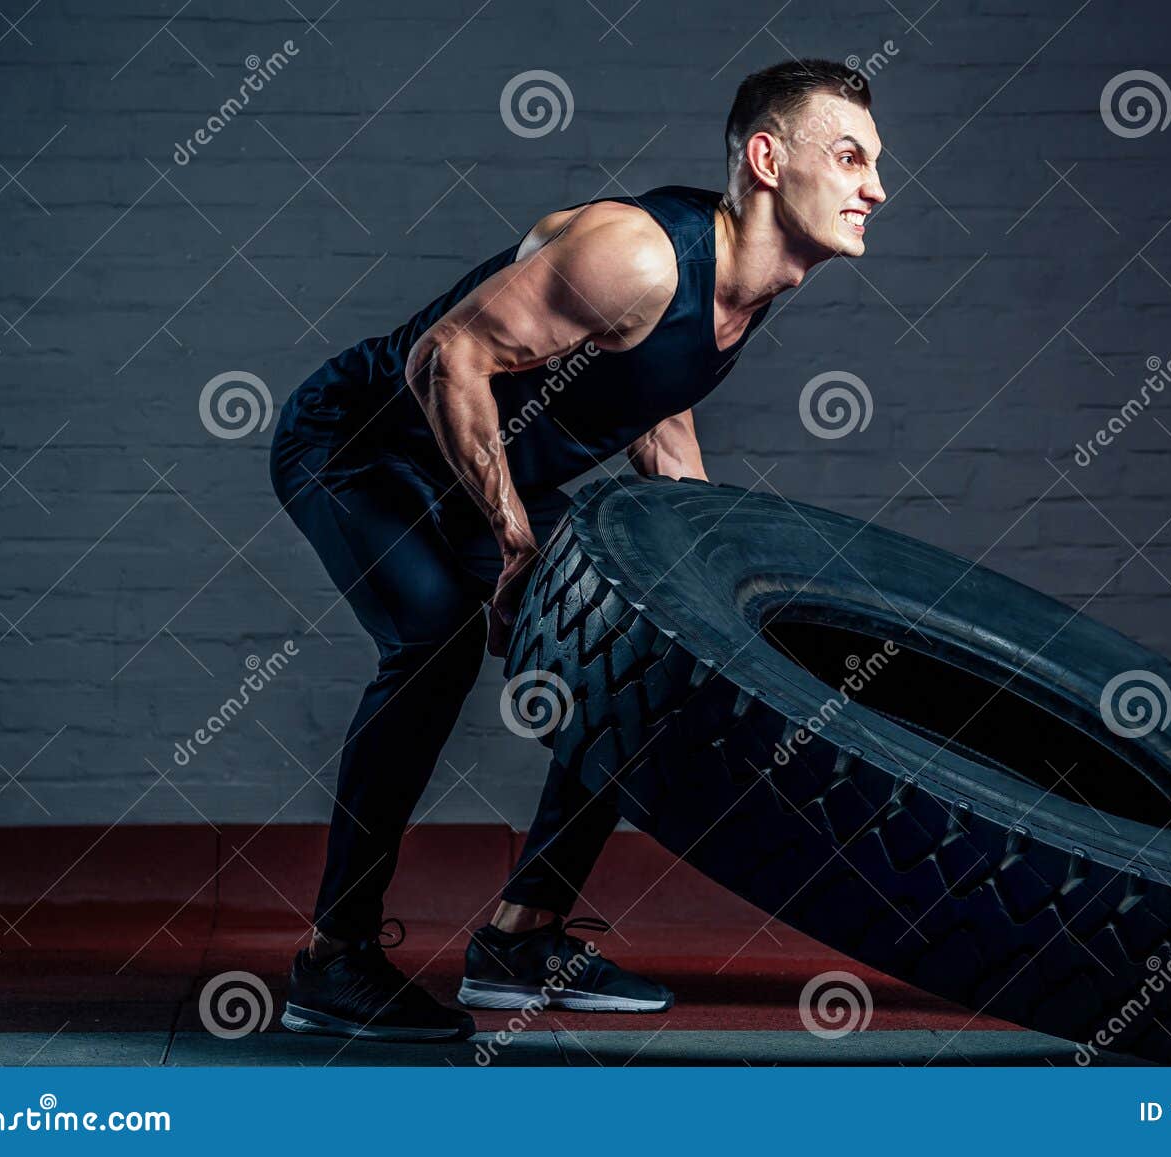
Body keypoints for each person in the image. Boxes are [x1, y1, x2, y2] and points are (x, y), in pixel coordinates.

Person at [269, 57, 887, 1041]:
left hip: (472, 476)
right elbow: (447, 355)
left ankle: (521, 935)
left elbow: (657, 405)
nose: (875, 188)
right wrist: (515, 544)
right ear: (768, 159)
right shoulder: (639, 254)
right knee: (433, 634)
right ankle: (331, 959)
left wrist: (714, 596)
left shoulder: (740, 291)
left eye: (875, 164)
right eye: (851, 158)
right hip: (360, 444)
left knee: (645, 638)